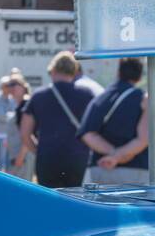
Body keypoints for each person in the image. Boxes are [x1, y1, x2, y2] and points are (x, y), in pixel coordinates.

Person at [16, 52, 96, 187]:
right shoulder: (87, 94)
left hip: (47, 158)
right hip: (77, 158)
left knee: (49, 203)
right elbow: (95, 128)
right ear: (74, 72)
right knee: (73, 201)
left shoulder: (38, 96)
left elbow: (25, 134)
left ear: (52, 70)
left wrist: (38, 150)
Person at [77, 56, 150, 184]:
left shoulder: (100, 98)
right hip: (136, 169)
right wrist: (117, 156)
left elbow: (88, 134)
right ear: (139, 76)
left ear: (118, 73)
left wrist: (112, 154)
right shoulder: (143, 99)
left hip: (100, 167)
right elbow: (143, 139)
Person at [0, 71, 29, 172]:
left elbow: (29, 134)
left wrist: (20, 157)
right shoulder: (15, 104)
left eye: (14, 84)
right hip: (13, 155)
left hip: (21, 158)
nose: (10, 88)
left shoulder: (26, 105)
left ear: (23, 87)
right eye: (9, 85)